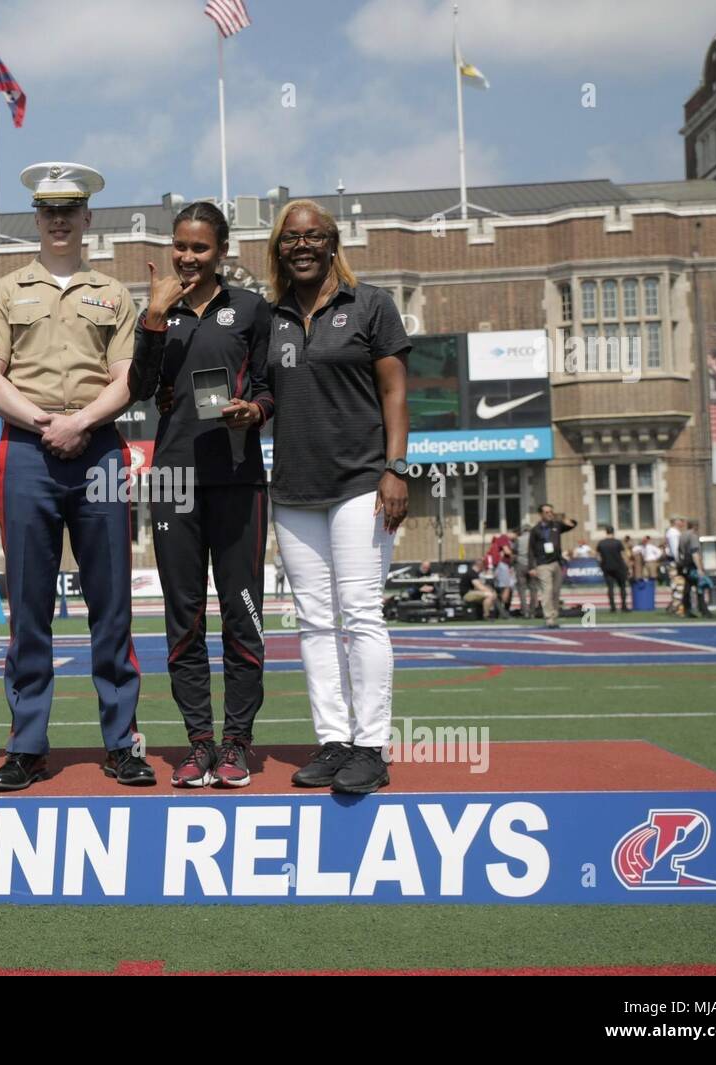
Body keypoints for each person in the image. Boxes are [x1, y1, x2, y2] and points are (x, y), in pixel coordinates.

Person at [0, 161, 150, 791]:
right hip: (26, 448)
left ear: (87, 218)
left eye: (69, 210)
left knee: (112, 602)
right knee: (29, 605)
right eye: (48, 211)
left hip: (99, 445)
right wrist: (47, 422)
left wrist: (80, 424)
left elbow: (130, 377)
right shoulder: (2, 292)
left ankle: (123, 741)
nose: (59, 220)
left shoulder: (115, 294)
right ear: (37, 219)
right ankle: (26, 745)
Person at [261, 199, 411, 794]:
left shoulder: (371, 303)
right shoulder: (268, 316)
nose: (301, 246)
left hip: (360, 484)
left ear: (332, 243)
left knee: (361, 615)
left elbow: (396, 392)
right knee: (316, 623)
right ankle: (333, 741)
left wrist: (396, 468)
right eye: (290, 238)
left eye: (312, 236)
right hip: (294, 489)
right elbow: (265, 393)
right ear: (279, 248)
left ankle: (371, 748)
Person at [128, 201, 273, 788]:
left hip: (239, 479)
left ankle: (237, 743)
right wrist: (154, 319)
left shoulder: (252, 310)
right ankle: (198, 744)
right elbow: (139, 389)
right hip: (174, 481)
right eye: (180, 247)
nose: (188, 258)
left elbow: (269, 386)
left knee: (242, 615)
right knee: (183, 619)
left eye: (201, 248)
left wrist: (253, 410)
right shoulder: (157, 312)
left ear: (222, 252)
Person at [529, 503, 577, 629]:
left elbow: (572, 524)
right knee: (547, 591)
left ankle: (554, 617)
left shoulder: (557, 525)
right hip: (542, 564)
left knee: (556, 592)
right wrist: (531, 567)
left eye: (551, 512)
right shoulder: (535, 530)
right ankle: (549, 618)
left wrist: (562, 518)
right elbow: (531, 550)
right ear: (540, 514)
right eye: (547, 512)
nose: (550, 514)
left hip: (556, 563)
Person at [678, 519, 714, 618]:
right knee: (700, 586)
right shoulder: (693, 536)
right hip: (692, 564)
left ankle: (687, 609)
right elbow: (695, 553)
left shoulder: (682, 535)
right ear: (696, 526)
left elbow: (680, 551)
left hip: (684, 563)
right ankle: (703, 610)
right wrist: (699, 568)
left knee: (687, 587)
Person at [597, 524, 630, 613]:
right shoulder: (617, 542)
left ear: (606, 532)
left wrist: (601, 565)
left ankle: (613, 607)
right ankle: (623, 606)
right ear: (613, 532)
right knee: (622, 587)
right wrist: (628, 566)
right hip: (619, 567)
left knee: (610, 588)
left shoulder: (601, 543)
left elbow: (599, 557)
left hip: (607, 567)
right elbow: (623, 555)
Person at [513, 523, 534, 618]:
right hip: (533, 564)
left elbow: (514, 551)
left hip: (521, 564)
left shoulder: (519, 539)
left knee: (522, 590)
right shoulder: (535, 539)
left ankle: (525, 611)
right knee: (534, 589)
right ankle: (532, 612)